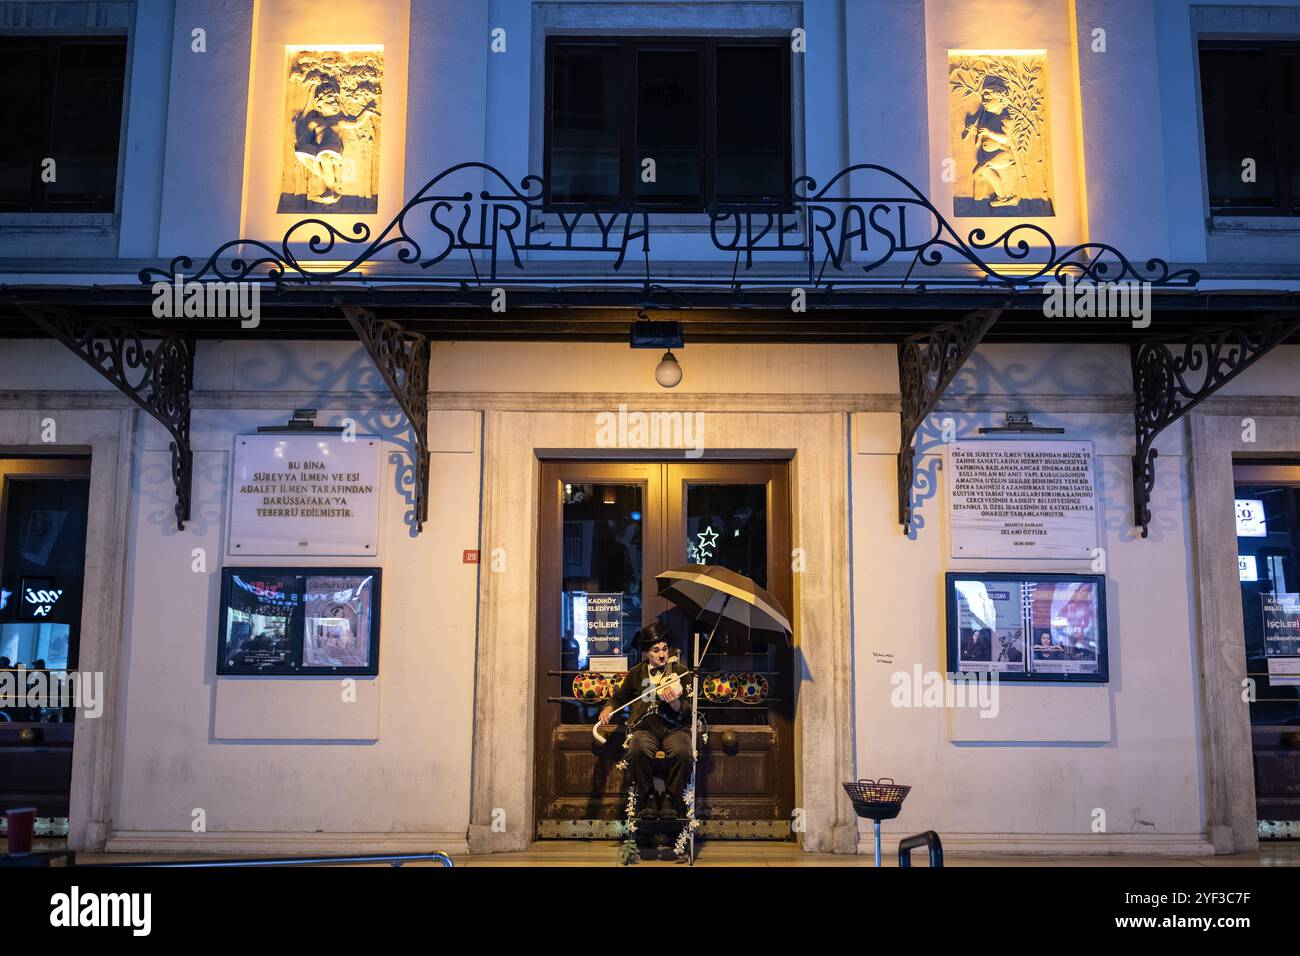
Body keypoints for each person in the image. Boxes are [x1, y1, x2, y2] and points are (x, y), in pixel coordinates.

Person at [599, 620, 693, 822]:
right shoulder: (636, 673)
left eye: (665, 649)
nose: (661, 654)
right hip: (645, 728)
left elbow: (688, 709)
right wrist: (608, 707)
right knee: (637, 749)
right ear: (646, 653)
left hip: (674, 728)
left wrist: (676, 702)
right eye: (656, 650)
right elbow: (619, 697)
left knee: (684, 752)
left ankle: (670, 797)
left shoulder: (680, 671)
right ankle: (648, 796)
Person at [292, 78, 379, 205]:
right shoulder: (316, 122)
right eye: (330, 101)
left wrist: (365, 113)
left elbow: (355, 123)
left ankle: (331, 190)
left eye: (336, 101)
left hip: (332, 149)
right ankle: (332, 185)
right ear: (319, 105)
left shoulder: (338, 121)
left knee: (325, 157)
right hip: (319, 151)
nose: (335, 103)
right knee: (304, 154)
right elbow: (304, 137)